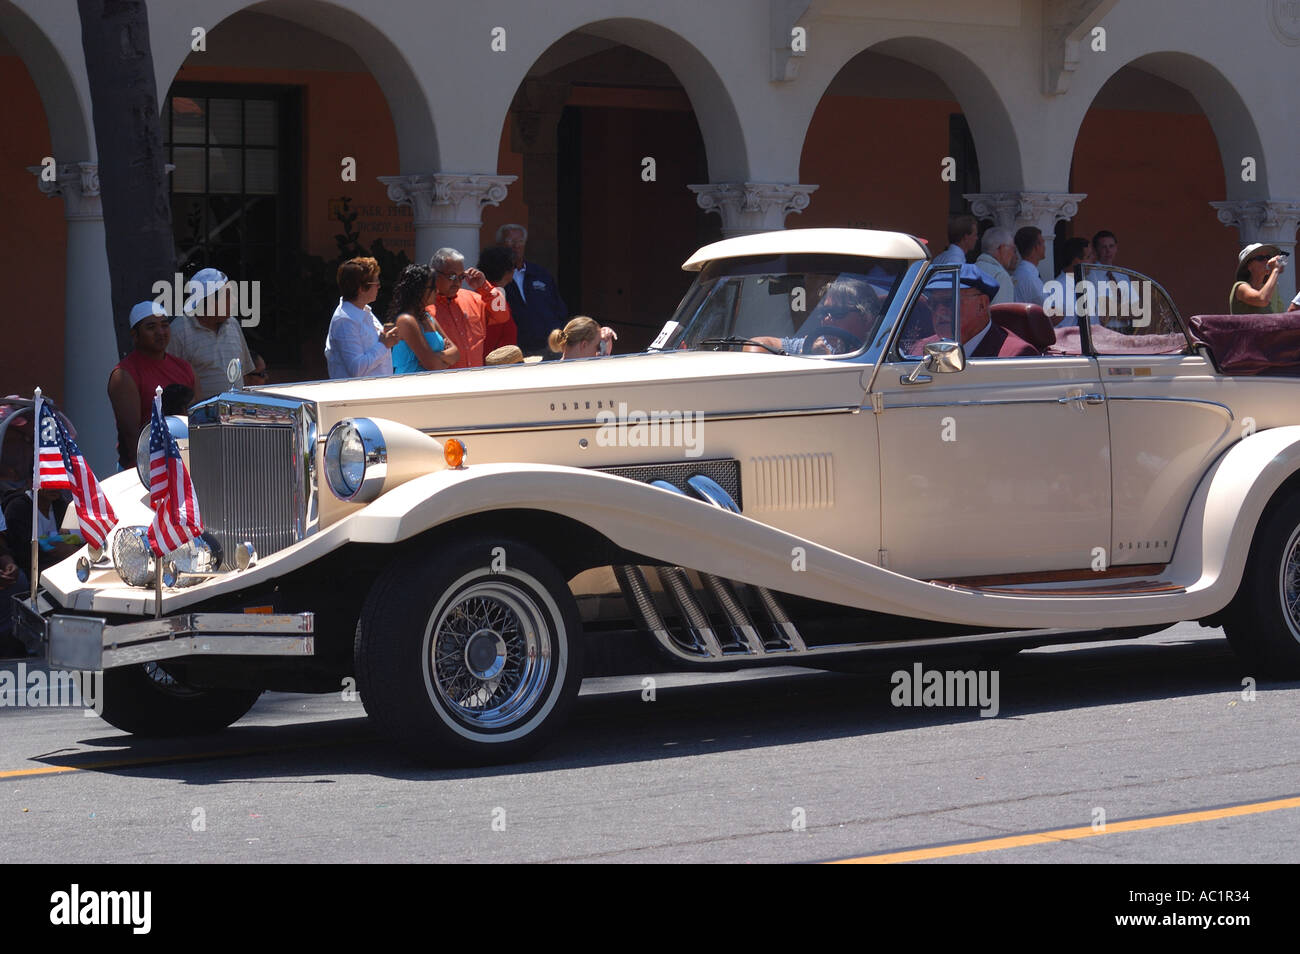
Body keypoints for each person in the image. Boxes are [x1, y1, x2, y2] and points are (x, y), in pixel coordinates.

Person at [107, 300, 197, 469]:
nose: (160, 332)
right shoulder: (124, 374)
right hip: (144, 470)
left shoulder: (184, 368)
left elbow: (197, 419)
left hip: (185, 465)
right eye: (151, 327)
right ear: (135, 335)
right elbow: (132, 436)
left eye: (164, 325)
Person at [167, 268, 257, 400]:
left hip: (236, 416)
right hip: (199, 418)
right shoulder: (179, 331)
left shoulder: (233, 325)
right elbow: (169, 383)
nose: (234, 301)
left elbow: (245, 375)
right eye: (227, 296)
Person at [919, 265, 1037, 358]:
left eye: (950, 301)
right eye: (933, 303)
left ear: (982, 304)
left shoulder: (1013, 355)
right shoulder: (920, 349)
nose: (939, 310)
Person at [426, 247, 504, 369]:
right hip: (444, 382)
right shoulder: (425, 307)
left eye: (461, 277)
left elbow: (502, 315)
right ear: (435, 274)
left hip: (475, 380)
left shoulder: (474, 299)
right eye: (452, 276)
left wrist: (484, 286)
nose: (457, 282)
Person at [497, 224, 568, 356]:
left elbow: (559, 309)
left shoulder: (540, 273)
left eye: (520, 241)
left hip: (550, 347)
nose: (516, 246)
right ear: (500, 244)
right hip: (516, 350)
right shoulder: (496, 278)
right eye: (510, 241)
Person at [325, 257, 399, 379]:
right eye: (376, 283)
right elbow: (356, 369)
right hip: (358, 396)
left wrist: (386, 339)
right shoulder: (345, 321)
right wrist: (384, 344)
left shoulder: (364, 311)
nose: (379, 287)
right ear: (361, 288)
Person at [387, 264, 460, 374]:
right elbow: (433, 365)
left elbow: (456, 353)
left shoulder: (428, 317)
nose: (437, 291)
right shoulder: (406, 321)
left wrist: (437, 356)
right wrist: (445, 359)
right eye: (433, 287)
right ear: (418, 290)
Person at [476, 244, 519, 357]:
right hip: (496, 363)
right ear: (506, 271)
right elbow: (493, 335)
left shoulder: (489, 293)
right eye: (513, 266)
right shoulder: (493, 297)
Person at [1230, 243, 1287, 314]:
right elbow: (1262, 299)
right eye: (1260, 258)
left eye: (1268, 257)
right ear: (1248, 266)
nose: (1267, 261)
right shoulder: (1240, 287)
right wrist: (1275, 270)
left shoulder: (1269, 289)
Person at [974, 227, 1016, 305]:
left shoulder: (972, 271)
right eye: (1012, 249)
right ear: (1002, 248)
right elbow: (1002, 314)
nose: (1013, 254)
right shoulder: (1000, 276)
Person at [548, 316, 617, 359]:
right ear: (584, 345)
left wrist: (604, 342)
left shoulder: (554, 370)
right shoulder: (590, 371)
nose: (598, 352)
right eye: (598, 347)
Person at [1012, 226, 1046, 306]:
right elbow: (1052, 313)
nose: (1045, 247)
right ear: (1036, 247)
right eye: (1043, 243)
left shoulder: (1020, 273)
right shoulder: (1030, 277)